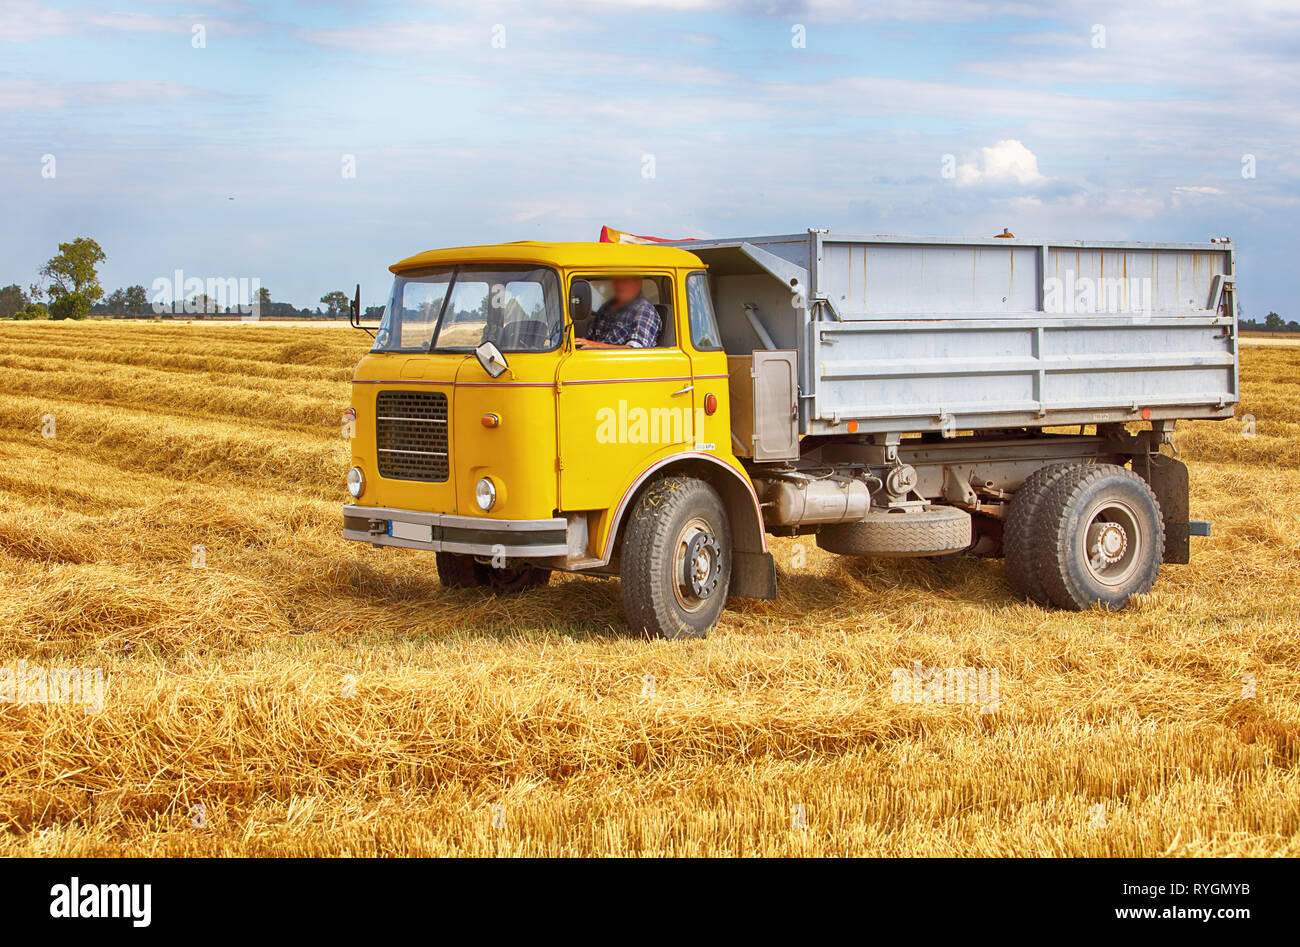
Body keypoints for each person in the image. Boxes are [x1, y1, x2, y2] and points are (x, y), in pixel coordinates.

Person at [576, 276, 661, 349]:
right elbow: (590, 338)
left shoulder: (644, 309)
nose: (619, 285)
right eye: (617, 281)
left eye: (625, 281)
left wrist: (596, 346)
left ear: (638, 283)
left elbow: (636, 351)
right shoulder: (608, 306)